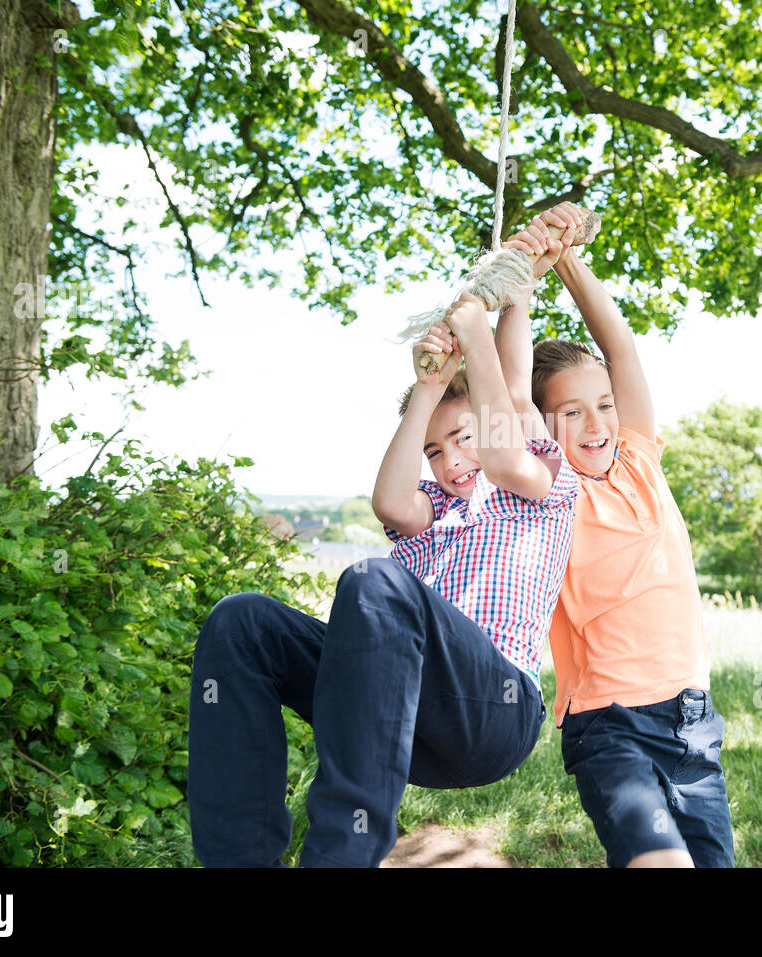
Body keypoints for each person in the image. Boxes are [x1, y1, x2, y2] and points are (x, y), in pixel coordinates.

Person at [187, 289, 578, 867]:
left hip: (492, 715)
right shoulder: (428, 509)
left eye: (462, 439)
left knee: (374, 583)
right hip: (400, 714)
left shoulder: (539, 487)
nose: (449, 463)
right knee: (241, 622)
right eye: (435, 452)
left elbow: (509, 413)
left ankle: (338, 858)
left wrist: (485, 326)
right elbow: (391, 504)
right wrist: (427, 388)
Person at [499, 203, 734, 868]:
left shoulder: (639, 461)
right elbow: (514, 393)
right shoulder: (551, 492)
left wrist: (567, 253)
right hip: (611, 725)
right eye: (570, 412)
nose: (595, 421)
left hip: (692, 723)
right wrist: (521, 285)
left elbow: (620, 347)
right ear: (546, 427)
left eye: (602, 404)